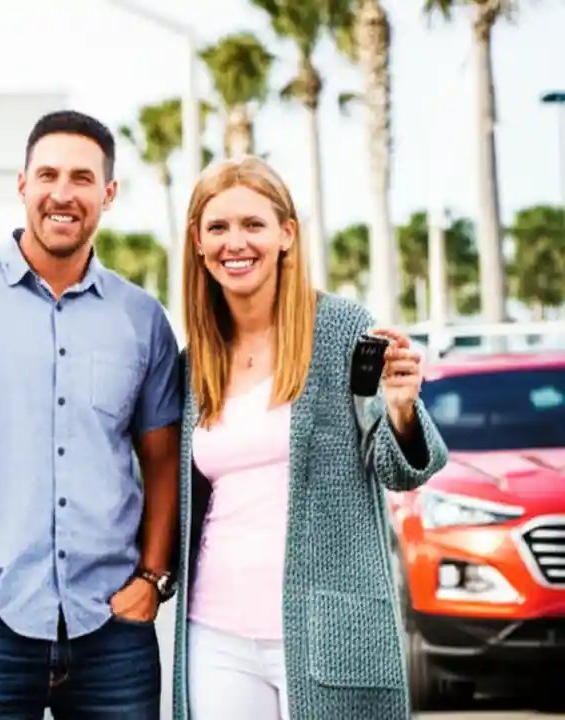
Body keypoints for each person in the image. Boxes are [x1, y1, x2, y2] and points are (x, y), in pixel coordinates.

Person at [0, 109, 182, 719]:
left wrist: (150, 579)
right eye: (47, 175)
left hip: (112, 631)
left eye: (81, 178)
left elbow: (163, 459)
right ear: (22, 185)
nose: (62, 194)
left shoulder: (140, 317)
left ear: (108, 193)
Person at [168, 156, 450, 720]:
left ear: (286, 235)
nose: (235, 242)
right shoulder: (193, 362)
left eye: (253, 225)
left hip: (328, 628)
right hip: (214, 630)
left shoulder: (342, 329)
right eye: (218, 227)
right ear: (198, 243)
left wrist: (399, 408)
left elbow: (402, 468)